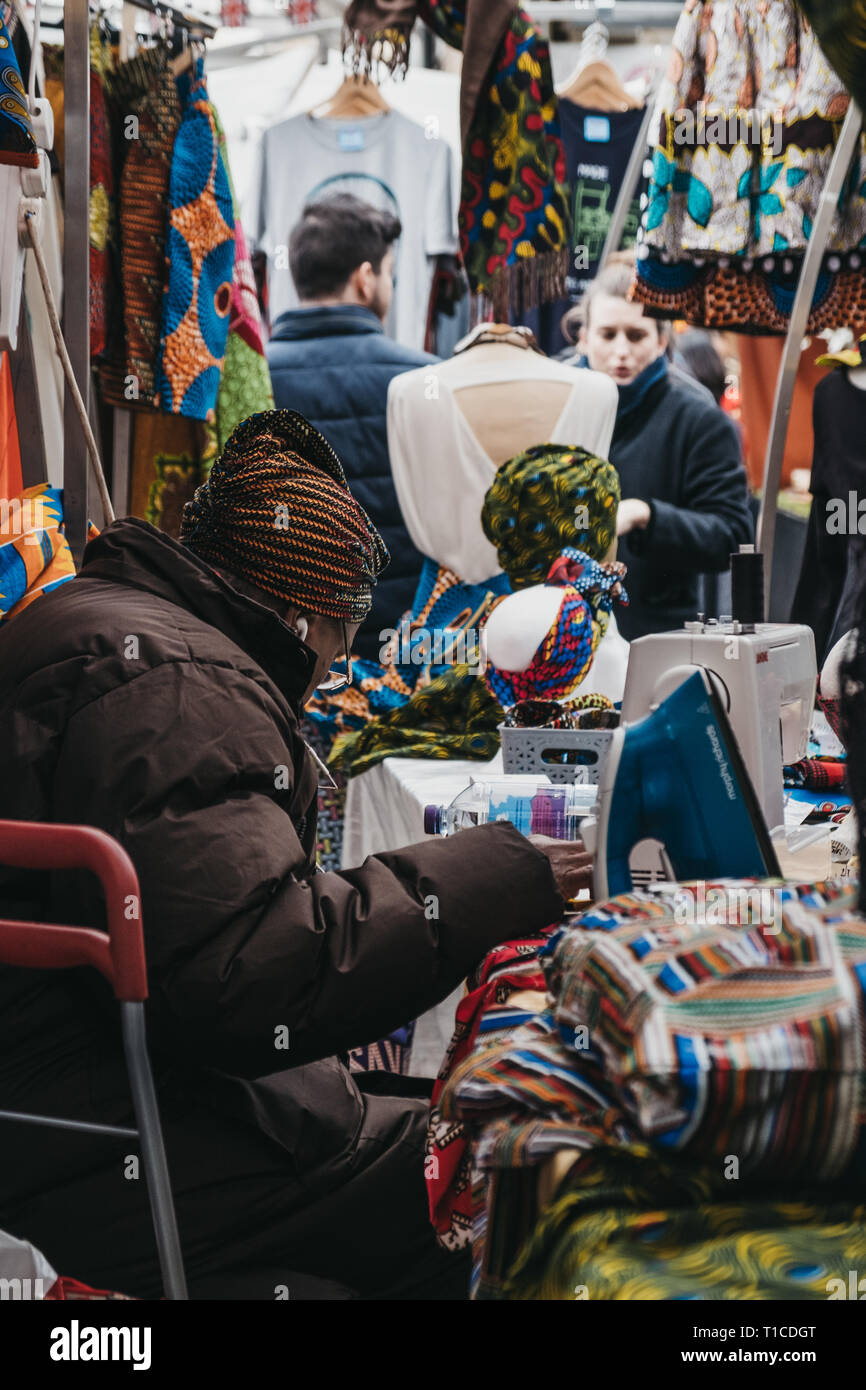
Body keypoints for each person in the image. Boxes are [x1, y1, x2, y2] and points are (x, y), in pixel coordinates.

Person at [0, 411, 590, 1301]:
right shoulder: (182, 687)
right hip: (118, 1141)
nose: (336, 667)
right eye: (338, 644)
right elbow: (252, 974)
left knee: (439, 1106)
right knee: (519, 1171)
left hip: (75, 1103)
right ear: (304, 616)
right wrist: (508, 875)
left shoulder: (96, 621)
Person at [266, 194, 435, 661]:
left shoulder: (252, 378)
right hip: (404, 645)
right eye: (389, 275)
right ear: (366, 278)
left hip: (287, 642)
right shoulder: (426, 379)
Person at [578, 262, 753, 640]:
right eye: (607, 335)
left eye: (636, 335)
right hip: (558, 641)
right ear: (584, 338)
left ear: (661, 340)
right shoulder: (556, 408)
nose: (620, 351)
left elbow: (733, 534)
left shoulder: (700, 422)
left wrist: (647, 516)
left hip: (655, 642)